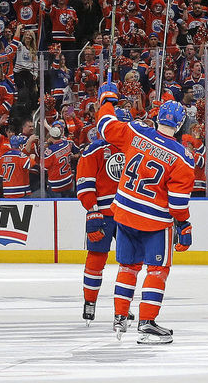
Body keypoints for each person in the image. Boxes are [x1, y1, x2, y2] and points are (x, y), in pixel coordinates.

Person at [96, 82, 194, 344]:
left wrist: (108, 99)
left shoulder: (136, 131)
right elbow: (178, 203)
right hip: (154, 221)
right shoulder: (183, 156)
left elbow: (104, 126)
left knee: (128, 265)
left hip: (124, 213)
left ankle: (119, 316)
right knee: (157, 270)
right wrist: (184, 225)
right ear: (181, 124)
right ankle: (147, 323)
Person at [76, 107, 130, 325]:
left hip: (128, 213)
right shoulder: (94, 150)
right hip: (105, 215)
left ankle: (122, 307)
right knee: (96, 259)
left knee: (130, 263)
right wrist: (92, 210)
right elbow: (85, 184)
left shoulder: (137, 148)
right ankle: (90, 302)